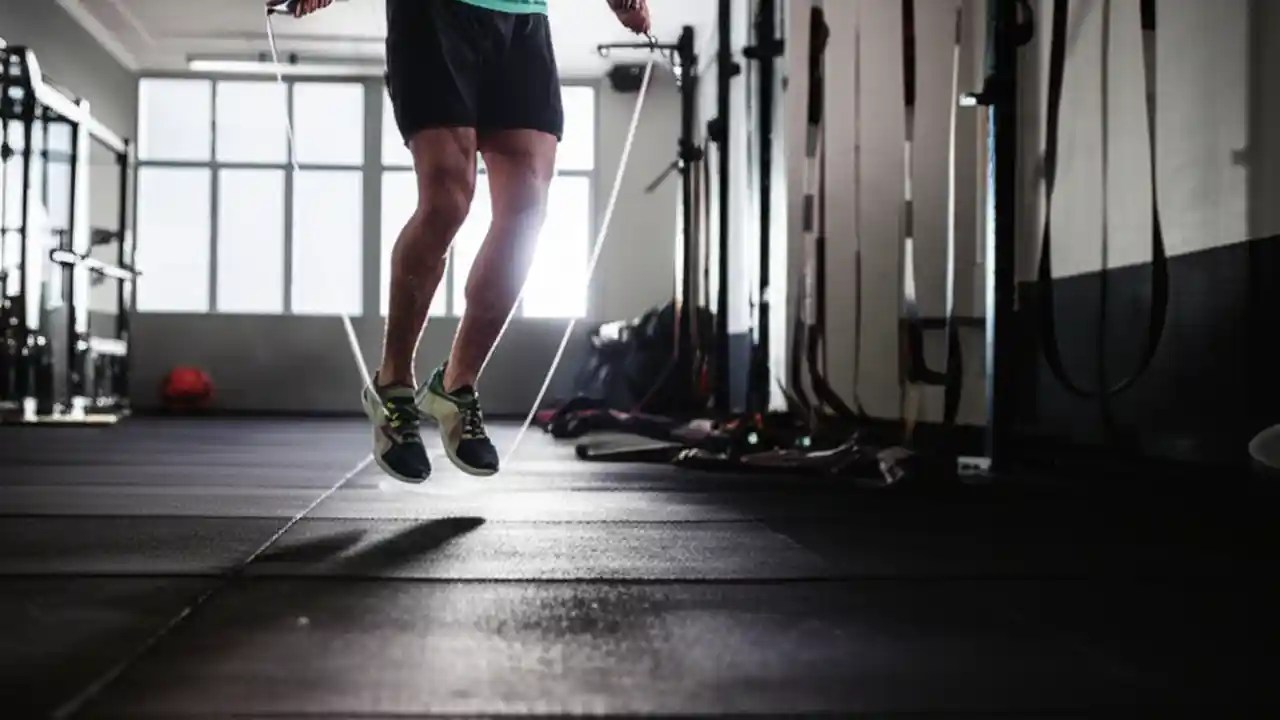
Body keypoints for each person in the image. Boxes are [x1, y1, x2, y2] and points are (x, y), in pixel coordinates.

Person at [281, 0, 651, 483]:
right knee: (448, 201)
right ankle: (393, 385)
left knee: (526, 214)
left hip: (522, 17)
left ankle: (456, 387)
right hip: (434, 14)